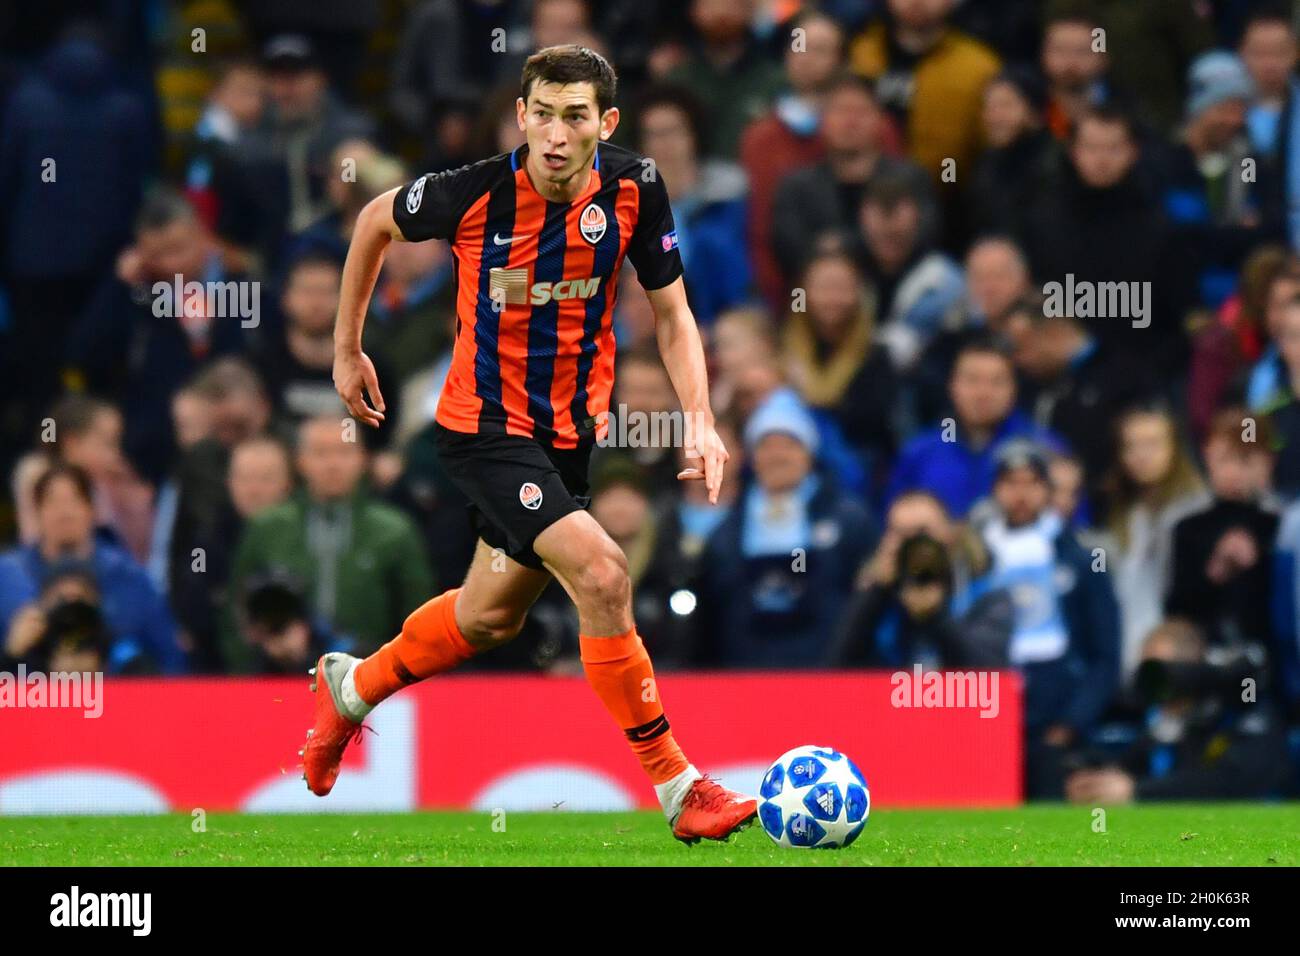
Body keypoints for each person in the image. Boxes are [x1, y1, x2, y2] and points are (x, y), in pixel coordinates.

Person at [310, 45, 756, 842]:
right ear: (522, 115)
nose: (554, 134)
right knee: (604, 571)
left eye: (574, 116)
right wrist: (347, 349)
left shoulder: (635, 186)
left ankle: (352, 688)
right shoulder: (475, 192)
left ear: (604, 124)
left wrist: (700, 415)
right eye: (541, 114)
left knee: (488, 619)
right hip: (485, 430)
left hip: (569, 437)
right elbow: (375, 221)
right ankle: (679, 786)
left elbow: (675, 314)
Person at [973, 441, 1121, 799]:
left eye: (1032, 483)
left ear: (1048, 491)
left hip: (1056, 717)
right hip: (989, 715)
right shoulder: (976, 556)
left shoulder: (1081, 559)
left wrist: (1072, 722)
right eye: (1011, 483)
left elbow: (1106, 654)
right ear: (995, 490)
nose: (1021, 494)